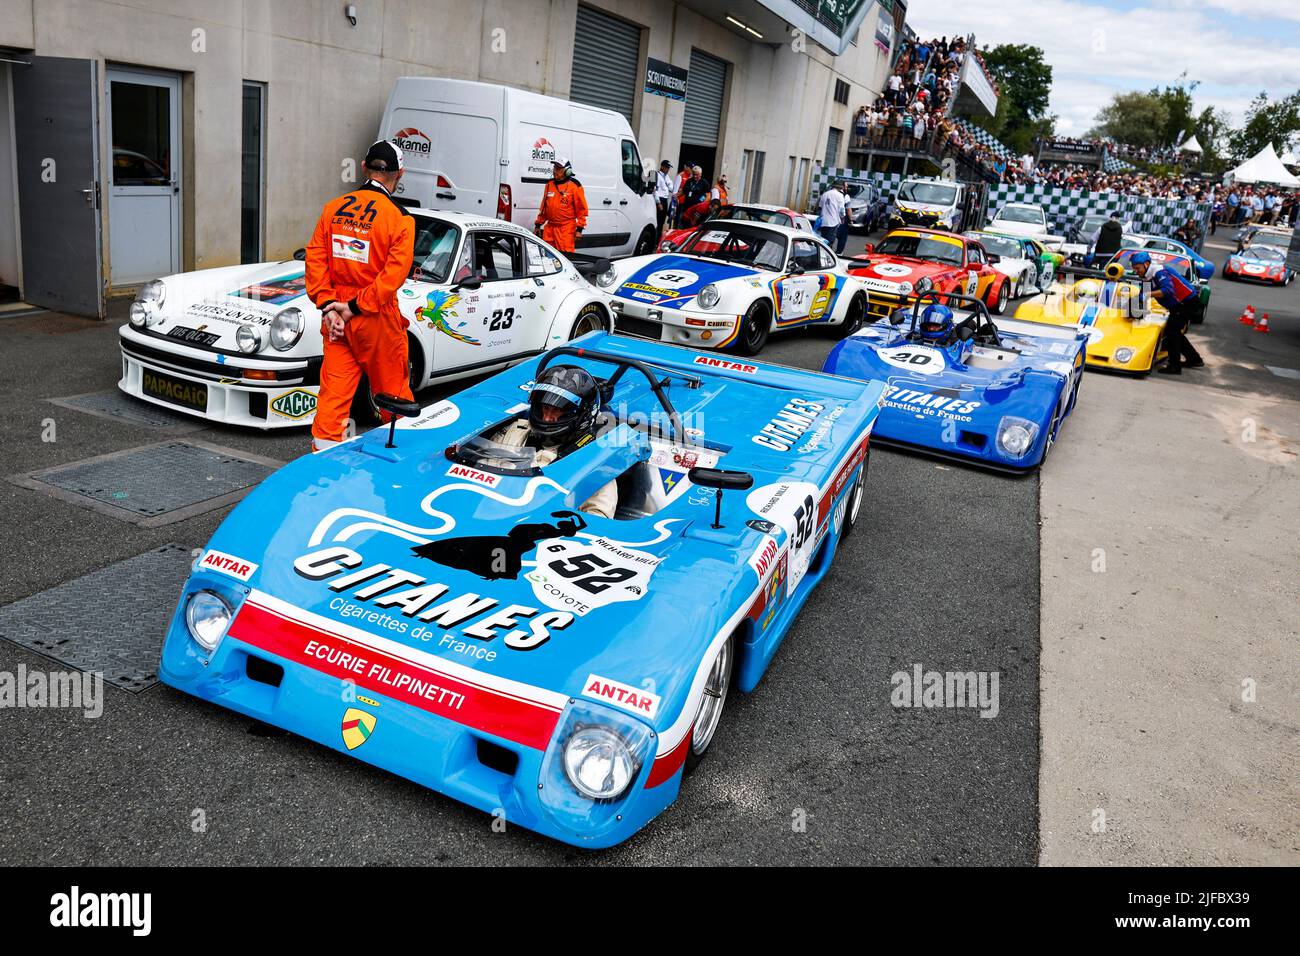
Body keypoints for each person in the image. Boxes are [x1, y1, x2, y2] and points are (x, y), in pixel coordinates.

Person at [305, 139, 416, 452]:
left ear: (365, 167)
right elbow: (393, 277)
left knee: (333, 397)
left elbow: (315, 259)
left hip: (335, 318)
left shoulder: (333, 208)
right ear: (399, 173)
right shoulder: (400, 218)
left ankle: (322, 464)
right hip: (374, 318)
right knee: (393, 395)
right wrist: (354, 307)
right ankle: (401, 465)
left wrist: (329, 307)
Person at [489, 364, 617, 518]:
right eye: (544, 408)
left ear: (579, 414)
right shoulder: (514, 431)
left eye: (557, 410)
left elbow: (598, 517)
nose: (547, 418)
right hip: (494, 511)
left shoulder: (595, 458)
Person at [1129, 250, 1203, 376]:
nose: (1136, 271)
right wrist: (1133, 309)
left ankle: (1174, 367)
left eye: (1137, 268)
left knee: (1171, 333)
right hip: (1179, 305)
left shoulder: (1159, 272)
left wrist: (1147, 294)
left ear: (1146, 264)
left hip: (1187, 303)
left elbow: (1167, 291)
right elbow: (1143, 294)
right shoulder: (1147, 276)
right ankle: (1194, 359)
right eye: (1134, 269)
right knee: (1175, 332)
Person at [534, 157, 588, 253]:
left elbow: (582, 210)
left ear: (567, 171)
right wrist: (538, 224)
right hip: (550, 229)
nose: (555, 171)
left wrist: (579, 229)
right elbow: (544, 208)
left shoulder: (575, 186)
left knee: (565, 256)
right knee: (547, 256)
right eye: (554, 168)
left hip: (565, 229)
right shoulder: (549, 184)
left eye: (558, 169)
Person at [817, 180, 847, 246]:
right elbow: (841, 210)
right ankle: (827, 254)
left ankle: (822, 253)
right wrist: (843, 218)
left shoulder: (825, 194)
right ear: (841, 187)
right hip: (833, 222)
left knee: (823, 239)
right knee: (830, 241)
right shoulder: (840, 196)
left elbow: (820, 207)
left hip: (823, 221)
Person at [653, 159, 674, 237]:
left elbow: (671, 188)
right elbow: (655, 190)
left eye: (668, 167)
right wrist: (658, 203)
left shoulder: (667, 177)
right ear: (662, 167)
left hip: (665, 200)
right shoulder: (657, 175)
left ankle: (658, 240)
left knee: (662, 222)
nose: (668, 169)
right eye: (666, 167)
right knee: (657, 222)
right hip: (659, 200)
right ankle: (654, 240)